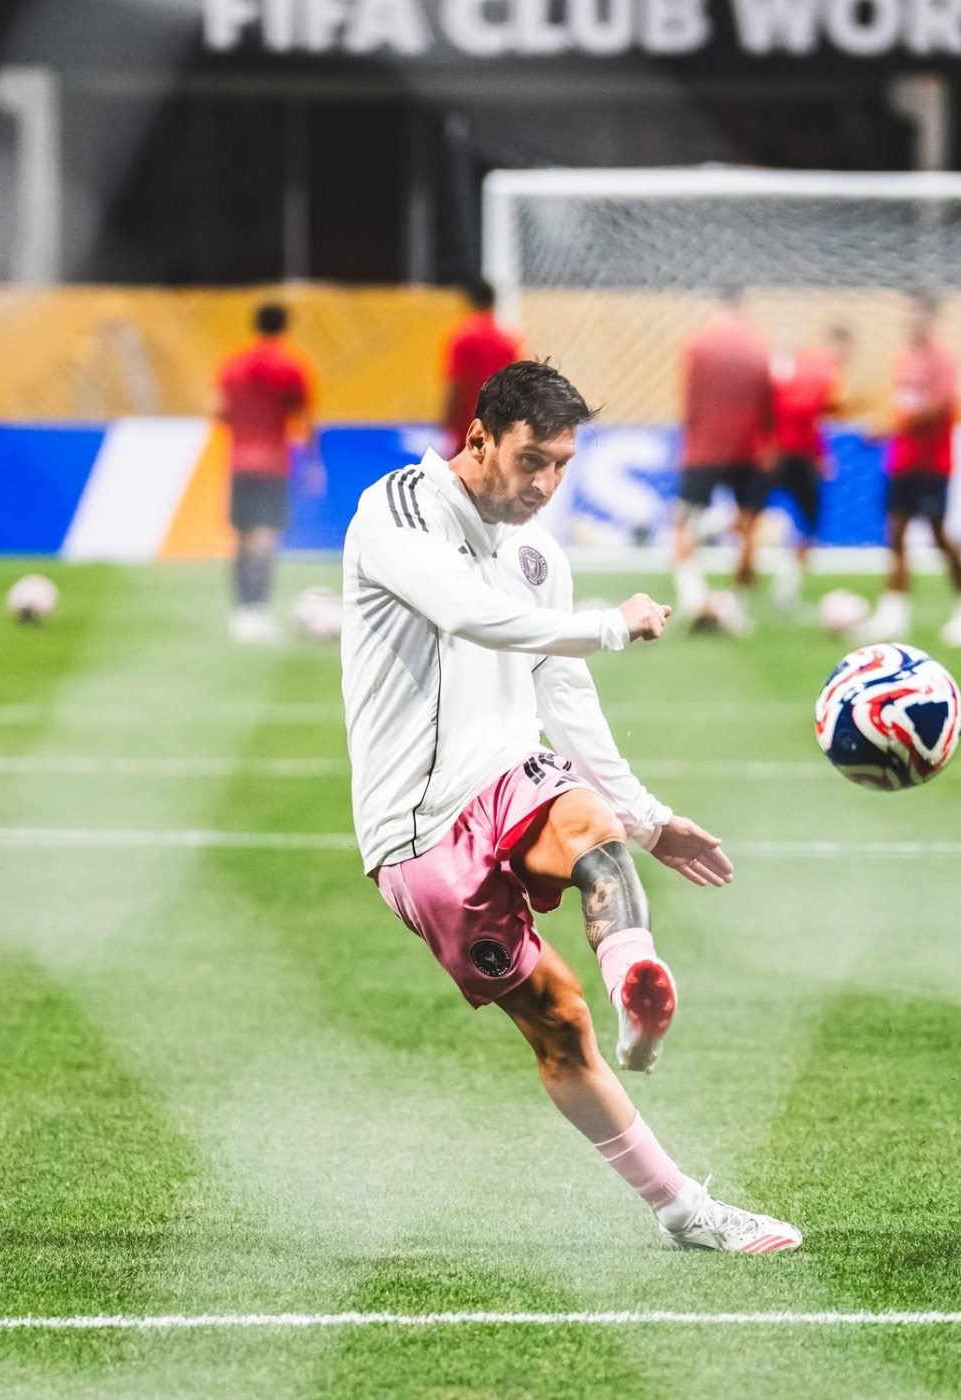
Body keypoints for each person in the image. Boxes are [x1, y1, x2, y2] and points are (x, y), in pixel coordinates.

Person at [340, 360, 802, 1254]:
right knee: (555, 1023)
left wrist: (649, 819)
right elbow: (468, 612)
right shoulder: (396, 510)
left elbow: (564, 696)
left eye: (560, 464)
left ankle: (636, 977)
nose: (545, 484)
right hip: (415, 829)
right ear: (478, 438)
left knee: (585, 819)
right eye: (529, 460)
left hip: (511, 775)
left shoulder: (537, 552)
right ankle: (675, 1203)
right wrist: (610, 623)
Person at [861, 293, 961, 647]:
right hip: (901, 462)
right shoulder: (904, 361)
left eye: (919, 315)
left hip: (933, 463)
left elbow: (944, 406)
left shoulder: (943, 360)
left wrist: (895, 427)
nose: (912, 321)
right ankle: (893, 614)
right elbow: (901, 407)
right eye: (908, 314)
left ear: (932, 318)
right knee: (896, 536)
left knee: (938, 537)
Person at [215, 302, 319, 645]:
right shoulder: (291, 367)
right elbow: (304, 417)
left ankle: (241, 612)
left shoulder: (233, 366)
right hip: (273, 462)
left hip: (240, 461)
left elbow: (219, 412)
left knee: (242, 538)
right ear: (284, 326)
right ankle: (257, 610)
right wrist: (315, 463)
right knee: (265, 539)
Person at [673, 288, 775, 627]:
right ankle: (737, 606)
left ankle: (691, 600)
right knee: (747, 530)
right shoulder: (759, 348)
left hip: (703, 450)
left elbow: (691, 402)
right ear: (743, 306)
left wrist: (689, 444)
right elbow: (769, 405)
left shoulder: (699, 345)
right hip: (747, 450)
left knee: (685, 526)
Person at [770, 326, 847, 611]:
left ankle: (785, 585)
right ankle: (785, 586)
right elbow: (807, 416)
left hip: (778, 452)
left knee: (754, 516)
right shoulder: (823, 370)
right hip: (794, 456)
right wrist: (820, 456)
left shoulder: (799, 368)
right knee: (809, 525)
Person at [443, 280, 521, 458]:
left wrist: (447, 420)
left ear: (469, 301)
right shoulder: (508, 339)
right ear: (493, 302)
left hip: (468, 425)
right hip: (498, 425)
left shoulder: (463, 337)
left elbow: (457, 384)